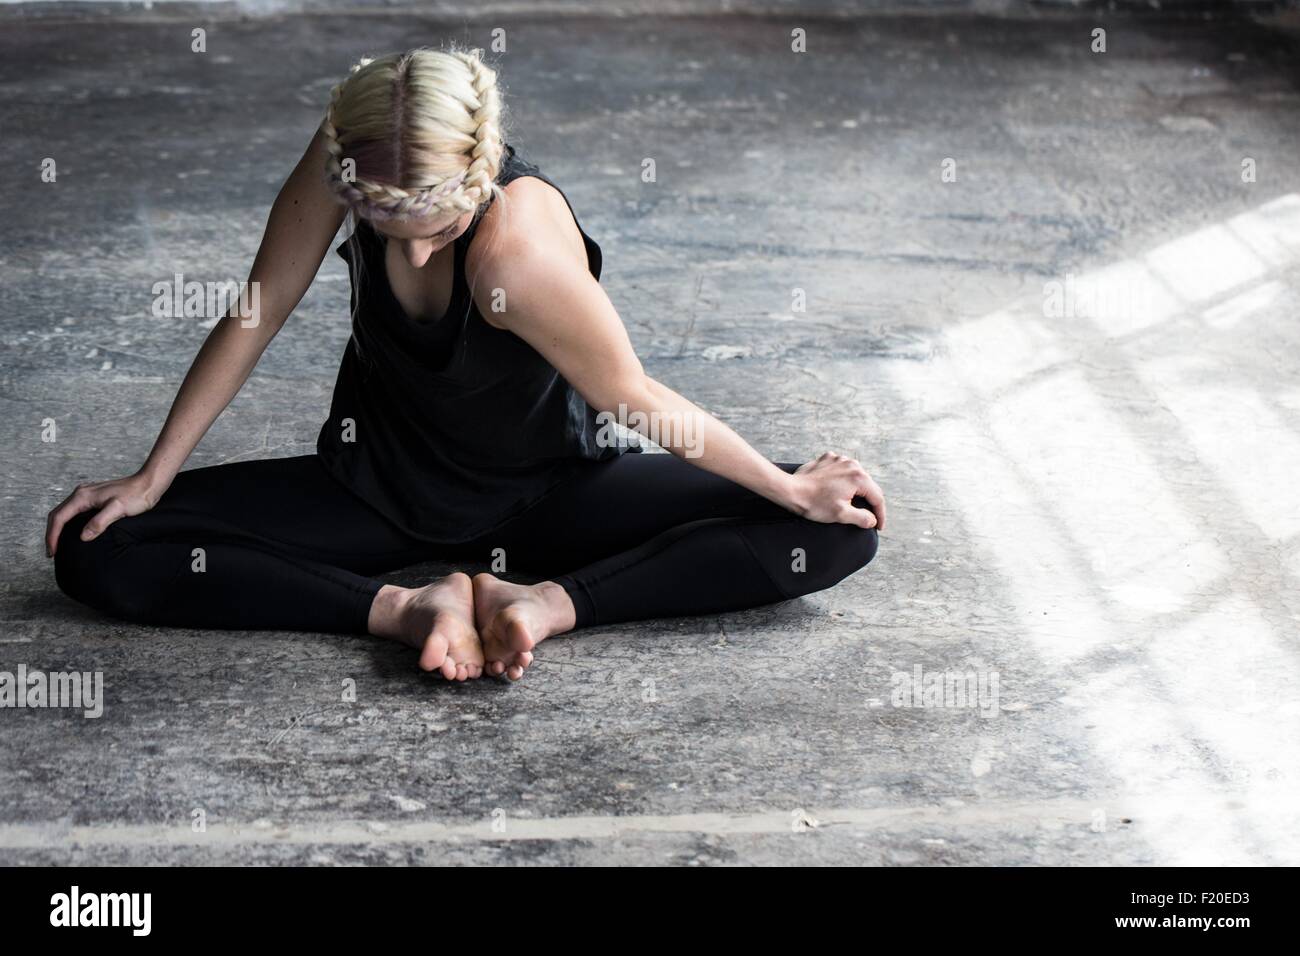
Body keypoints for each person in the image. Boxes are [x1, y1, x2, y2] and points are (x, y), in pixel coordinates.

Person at [48, 46, 885, 683]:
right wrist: (153, 476)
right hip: (375, 488)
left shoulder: (516, 255)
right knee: (98, 551)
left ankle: (547, 603)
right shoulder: (349, 151)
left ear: (479, 178)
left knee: (836, 534)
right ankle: (409, 608)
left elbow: (633, 396)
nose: (410, 252)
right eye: (385, 226)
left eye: (438, 230)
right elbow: (257, 311)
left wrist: (788, 490)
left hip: (549, 500)